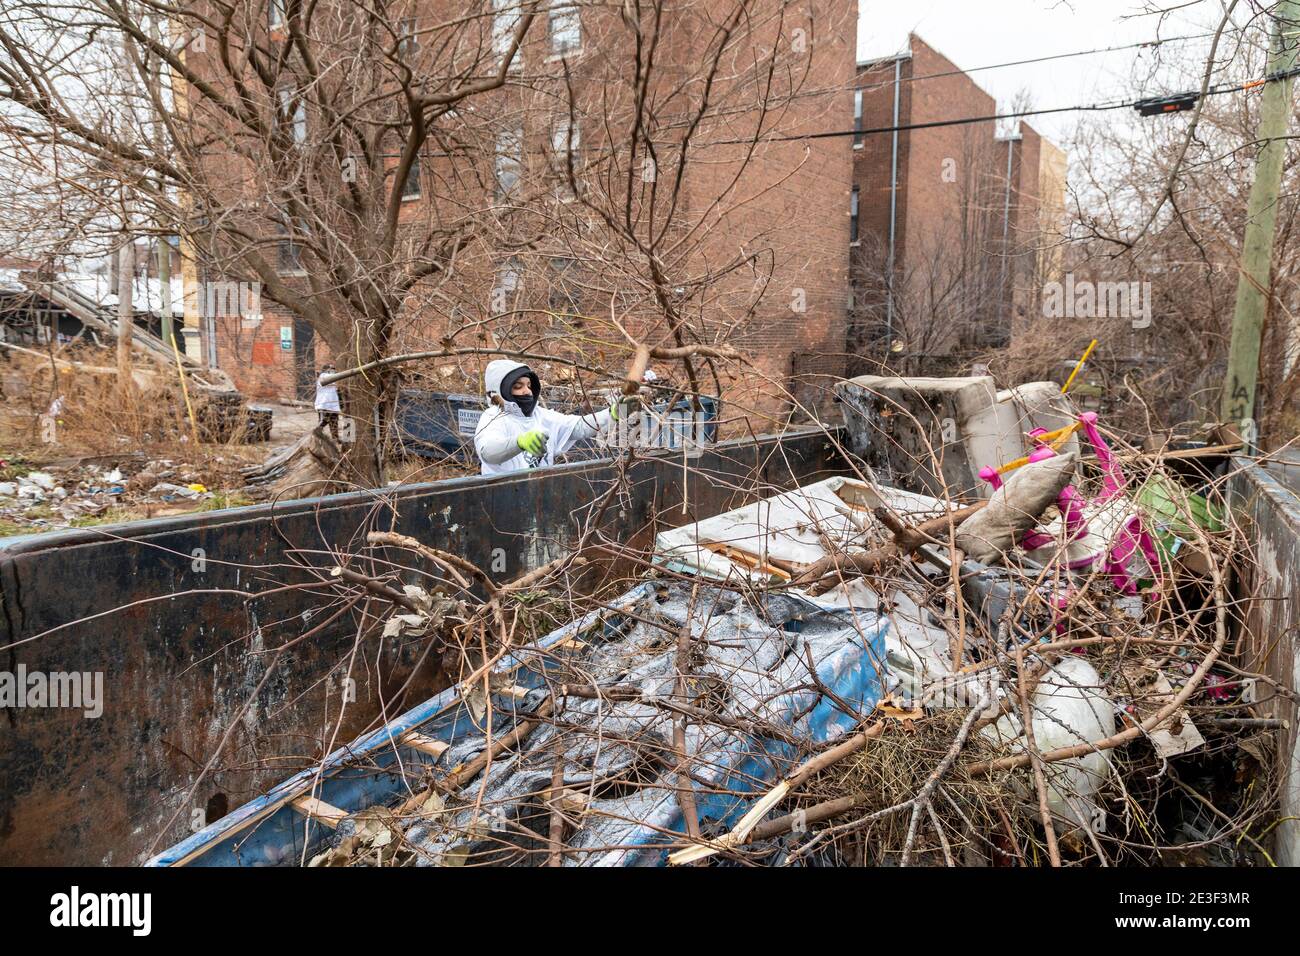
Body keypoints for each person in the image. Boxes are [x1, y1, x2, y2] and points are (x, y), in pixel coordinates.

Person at [474, 359, 629, 475]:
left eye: (529, 385)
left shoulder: (540, 415)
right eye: (517, 386)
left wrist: (613, 413)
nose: (527, 391)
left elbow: (578, 427)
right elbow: (488, 452)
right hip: (504, 498)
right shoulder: (493, 417)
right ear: (500, 390)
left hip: (541, 494)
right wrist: (519, 442)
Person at [315, 362, 341, 442]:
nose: (333, 370)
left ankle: (335, 439)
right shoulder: (324, 377)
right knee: (323, 422)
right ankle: (315, 436)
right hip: (324, 405)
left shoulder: (331, 378)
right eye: (331, 369)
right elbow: (332, 378)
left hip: (332, 406)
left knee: (334, 423)